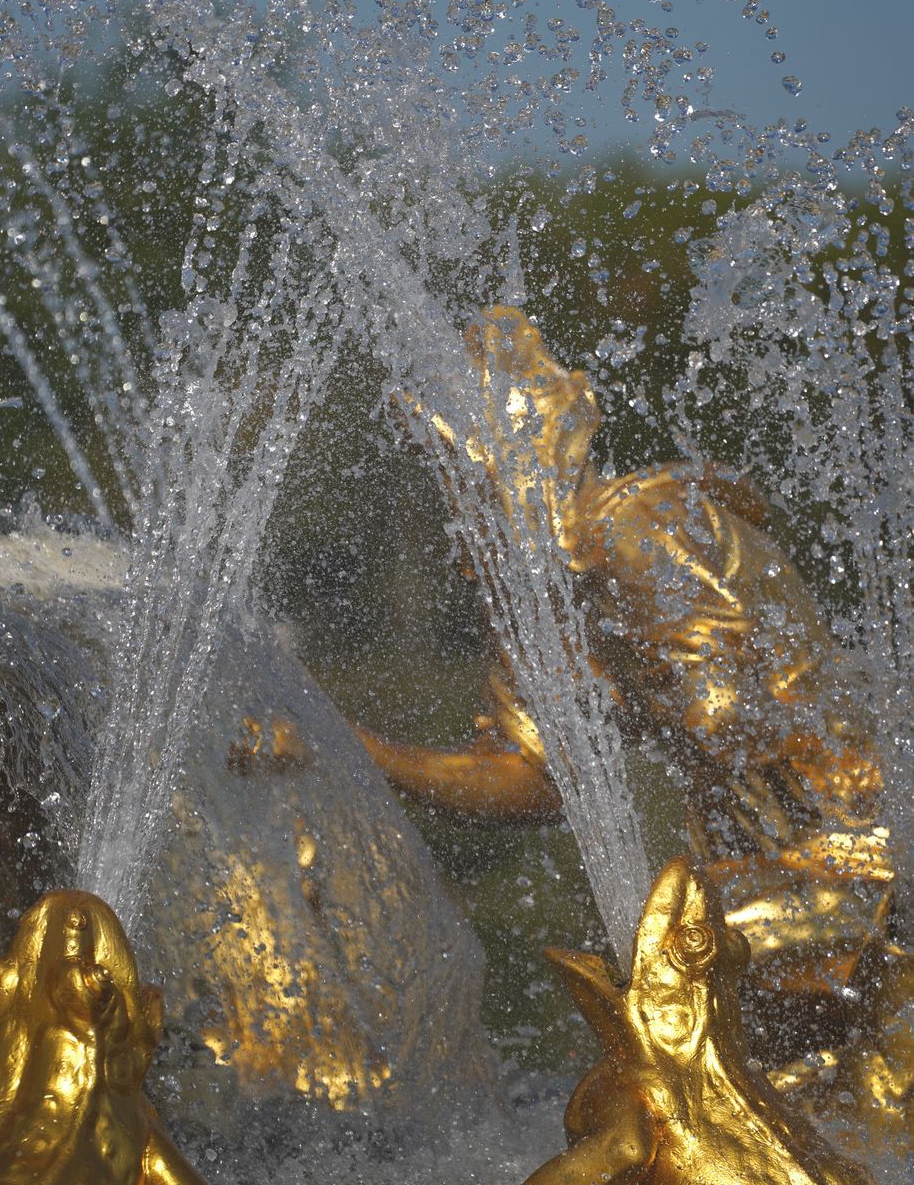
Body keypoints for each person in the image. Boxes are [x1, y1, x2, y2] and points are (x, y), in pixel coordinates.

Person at [354, 306, 905, 1137]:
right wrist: (366, 755)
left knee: (662, 963)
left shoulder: (640, 527)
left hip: (849, 849)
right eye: (452, 492)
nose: (462, 518)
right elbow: (531, 780)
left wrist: (613, 666)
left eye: (470, 484)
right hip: (756, 859)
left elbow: (729, 719)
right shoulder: (542, 609)